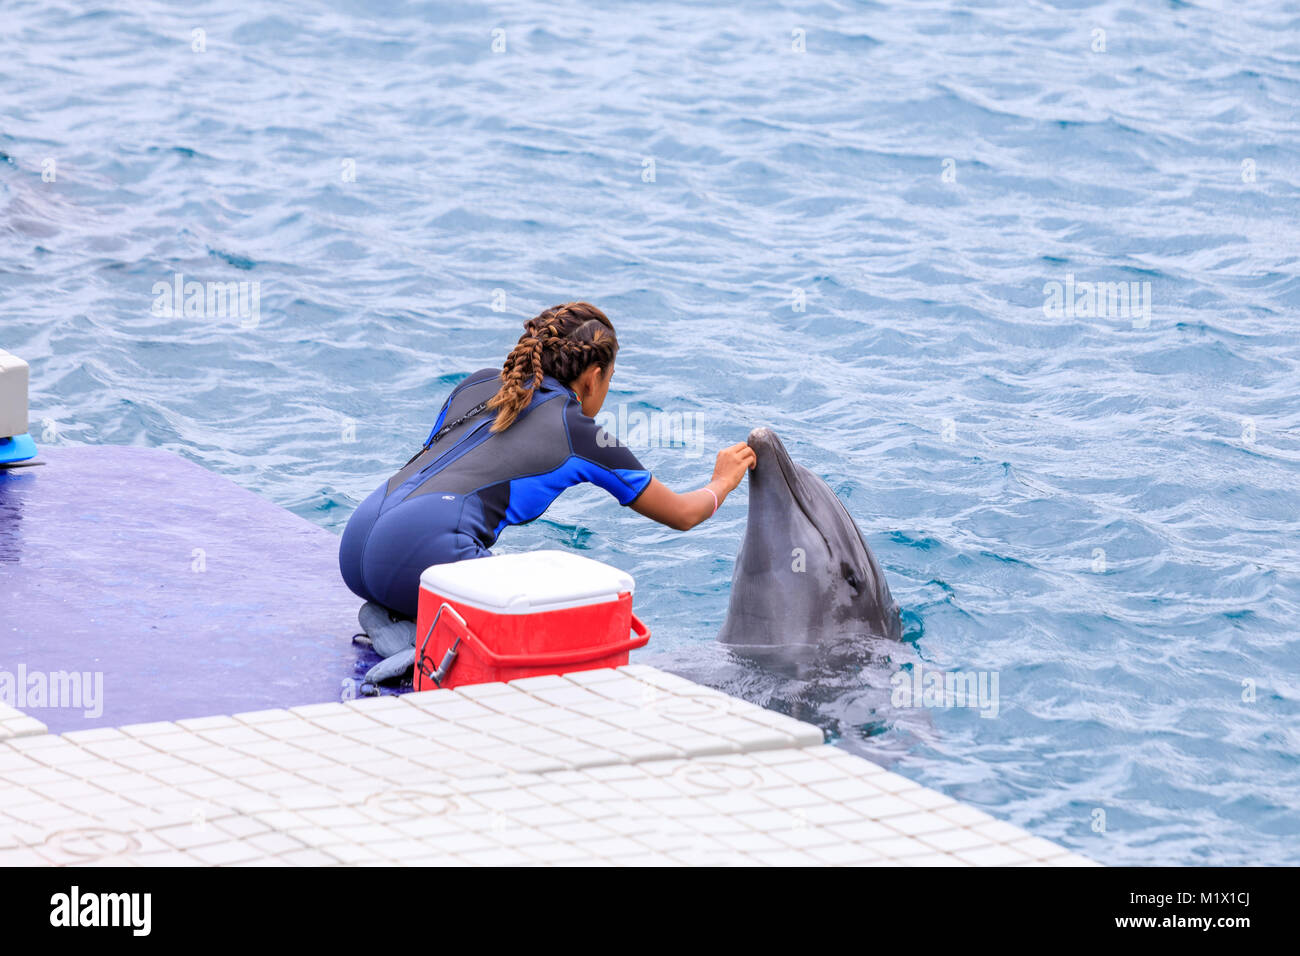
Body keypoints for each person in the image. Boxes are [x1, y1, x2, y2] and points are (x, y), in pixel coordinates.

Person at [338, 301, 755, 682]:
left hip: (357, 542)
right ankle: (422, 640)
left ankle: (401, 612)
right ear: (593, 378)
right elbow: (682, 514)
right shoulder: (579, 432)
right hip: (422, 558)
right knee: (557, 631)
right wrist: (722, 481)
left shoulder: (476, 384)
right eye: (610, 379)